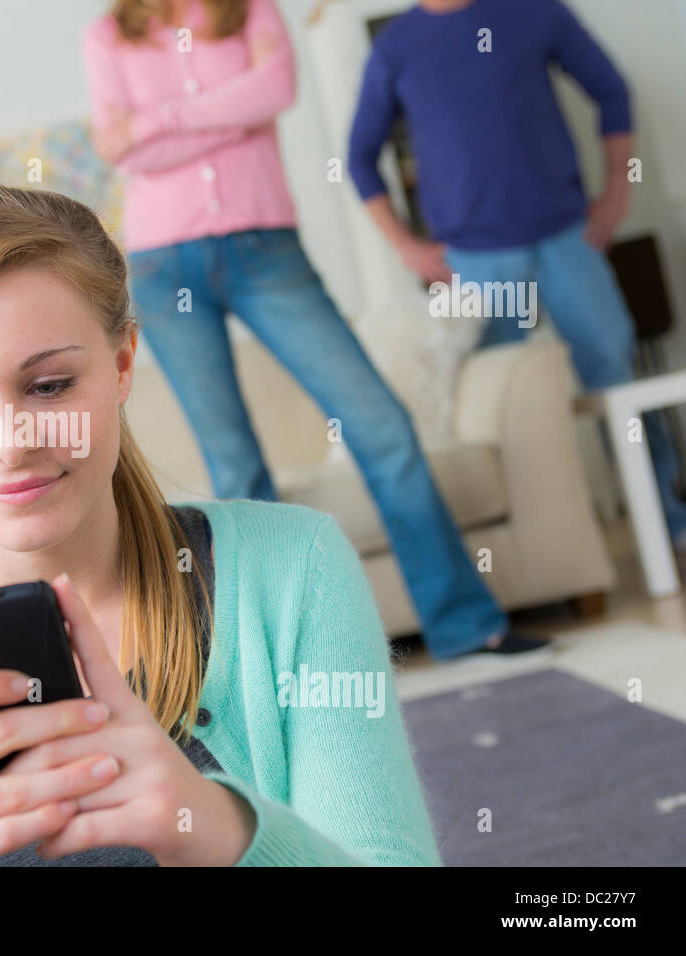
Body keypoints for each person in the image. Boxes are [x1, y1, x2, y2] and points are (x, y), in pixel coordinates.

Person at [0, 183, 441, 867]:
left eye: (50, 386)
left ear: (122, 365)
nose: (8, 442)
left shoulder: (296, 569)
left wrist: (219, 827)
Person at [82, 0, 543, 657]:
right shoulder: (108, 35)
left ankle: (467, 626)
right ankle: (286, 663)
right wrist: (229, 108)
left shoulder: (252, 10)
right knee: (234, 464)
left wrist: (158, 125)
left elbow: (274, 92)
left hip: (267, 250)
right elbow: (113, 145)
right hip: (163, 266)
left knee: (380, 424)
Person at [348, 0, 686, 546]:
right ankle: (534, 549)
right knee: (494, 407)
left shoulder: (534, 11)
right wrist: (405, 246)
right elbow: (359, 157)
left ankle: (671, 527)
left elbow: (612, 90)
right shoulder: (396, 46)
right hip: (474, 265)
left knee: (617, 381)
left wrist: (618, 190)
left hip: (566, 241)